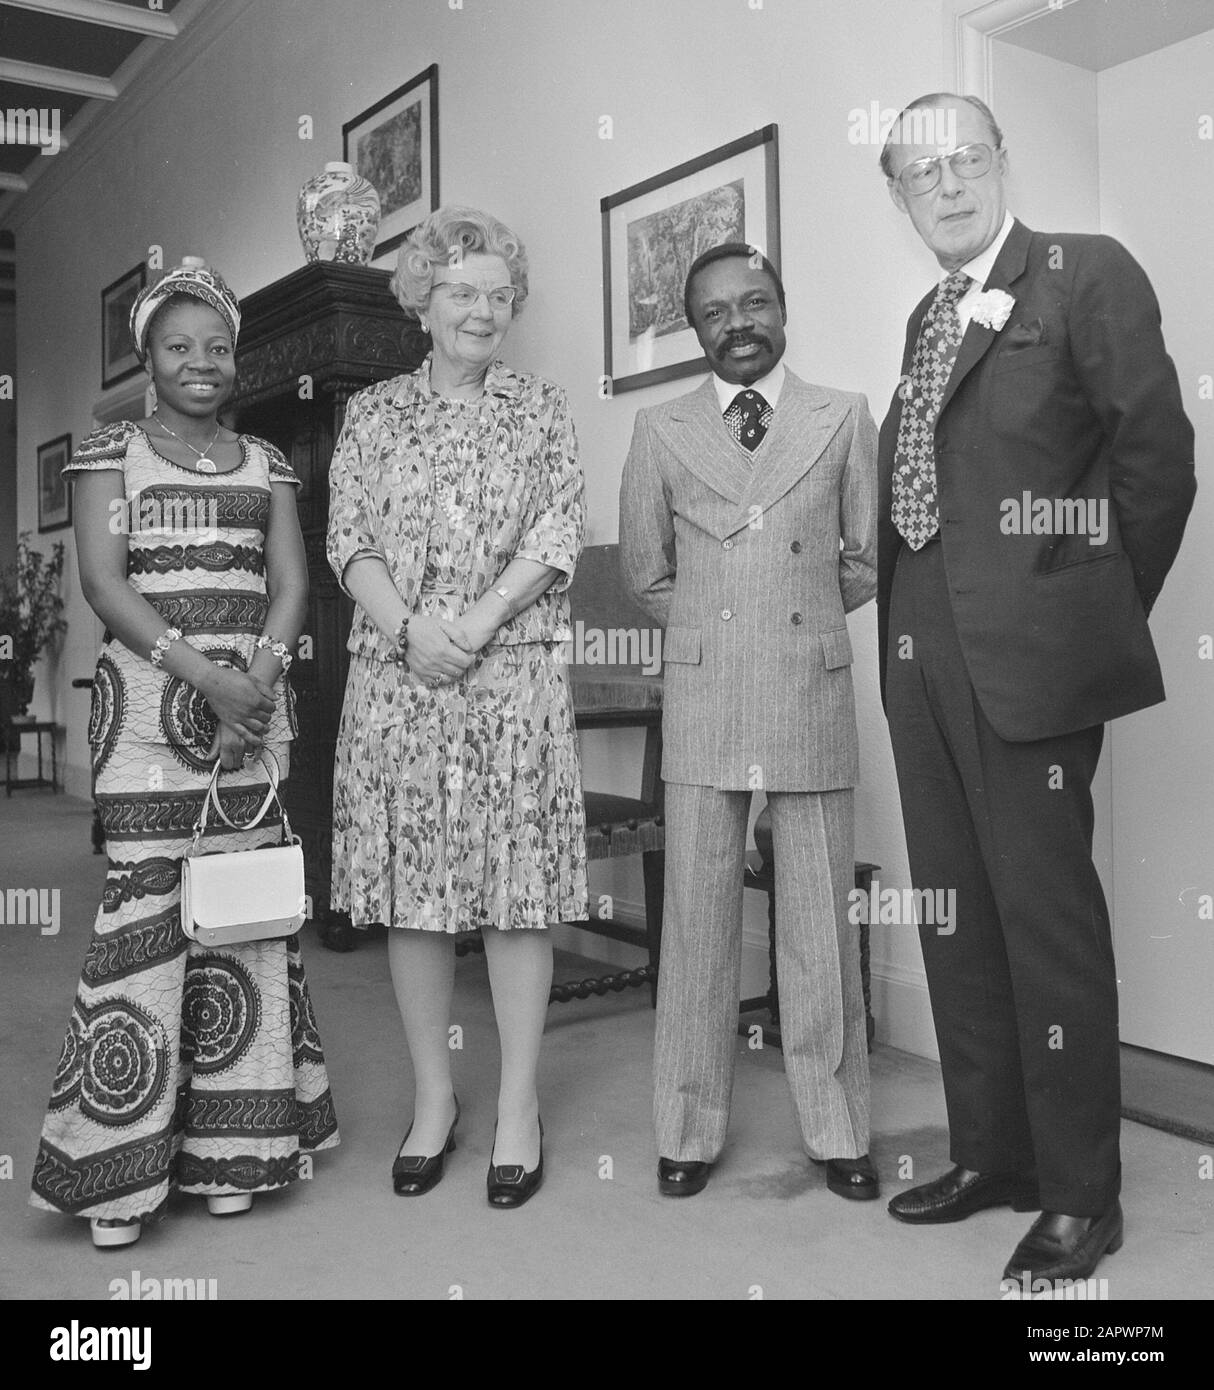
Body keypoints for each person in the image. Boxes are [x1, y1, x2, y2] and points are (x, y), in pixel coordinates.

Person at [876, 94, 1195, 1283]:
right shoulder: (924, 312)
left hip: (1031, 661)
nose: (947, 185)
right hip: (918, 650)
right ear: (897, 197)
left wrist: (1085, 615)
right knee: (954, 915)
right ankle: (990, 1154)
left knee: (1045, 925)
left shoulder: (1083, 273)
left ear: (1001, 161)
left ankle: (1077, 1193)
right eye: (920, 173)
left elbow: (1154, 464)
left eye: (965, 160)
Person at [30, 259, 338, 1248]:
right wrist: (205, 677)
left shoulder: (263, 462)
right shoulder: (109, 451)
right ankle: (113, 1176)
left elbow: (291, 581)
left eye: (217, 348)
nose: (201, 363)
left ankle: (232, 1154)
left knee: (240, 918)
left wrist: (261, 668)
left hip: (253, 712)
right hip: (152, 715)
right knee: (147, 914)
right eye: (179, 347)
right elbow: (104, 582)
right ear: (147, 358)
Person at [327, 206, 587, 1210]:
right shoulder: (372, 414)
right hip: (397, 677)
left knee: (516, 886)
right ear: (422, 302)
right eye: (461, 291)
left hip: (508, 667)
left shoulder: (542, 406)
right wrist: (407, 630)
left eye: (497, 293)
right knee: (412, 891)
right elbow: (350, 534)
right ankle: (433, 1099)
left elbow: (559, 528)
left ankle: (516, 1105)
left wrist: (473, 622)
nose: (482, 309)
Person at [620, 243, 878, 1200]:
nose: (739, 322)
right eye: (717, 311)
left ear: (782, 307)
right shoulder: (659, 427)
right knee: (696, 918)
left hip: (809, 678)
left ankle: (840, 1126)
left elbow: (864, 556)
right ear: (695, 328)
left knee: (816, 917)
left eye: (756, 302)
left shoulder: (844, 416)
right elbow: (646, 571)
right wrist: (721, 630)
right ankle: (687, 1127)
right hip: (704, 686)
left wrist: (789, 615)